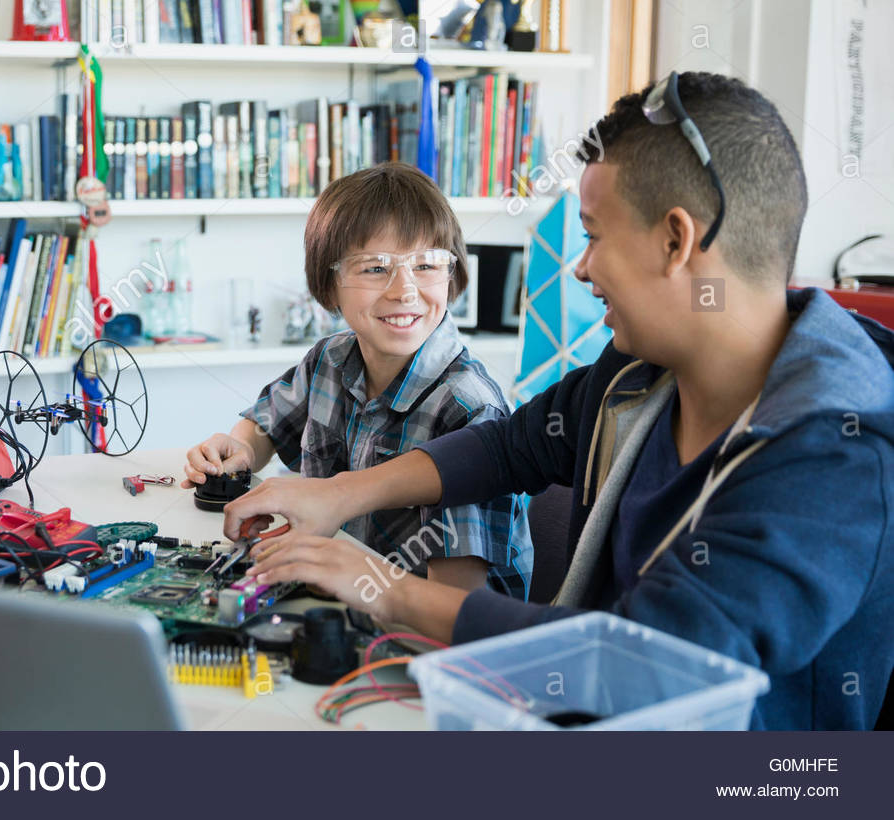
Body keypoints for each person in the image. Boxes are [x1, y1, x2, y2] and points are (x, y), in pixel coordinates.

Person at [226, 73, 894, 730]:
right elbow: (508, 448)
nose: (580, 267)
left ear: (676, 241)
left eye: (594, 235)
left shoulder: (832, 453)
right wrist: (341, 494)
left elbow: (643, 664)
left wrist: (387, 589)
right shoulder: (641, 369)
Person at [184, 163, 531, 597]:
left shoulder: (469, 408)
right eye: (374, 268)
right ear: (329, 287)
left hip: (421, 636)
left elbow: (456, 605)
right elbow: (264, 427)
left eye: (426, 265)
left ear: (453, 273)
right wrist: (239, 450)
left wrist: (337, 572)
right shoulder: (330, 359)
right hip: (333, 600)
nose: (404, 290)